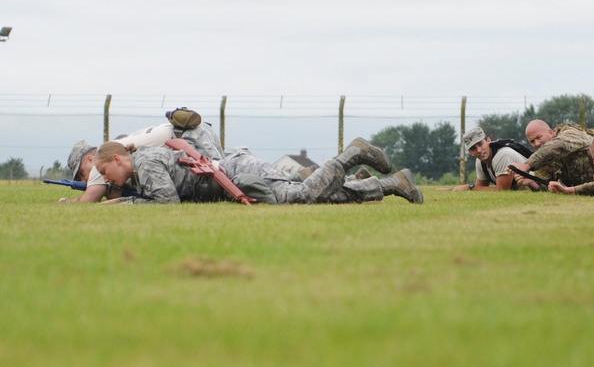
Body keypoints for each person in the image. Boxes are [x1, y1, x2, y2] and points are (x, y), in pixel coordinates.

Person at [94, 137, 423, 205]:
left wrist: (120, 203)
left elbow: (166, 203)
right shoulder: (142, 167)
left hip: (237, 175)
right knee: (318, 197)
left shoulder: (145, 163)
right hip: (235, 173)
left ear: (120, 159)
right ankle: (392, 184)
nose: (106, 179)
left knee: (301, 195)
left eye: (106, 171)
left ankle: (352, 155)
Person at [64, 117, 224, 203]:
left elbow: (90, 199)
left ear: (89, 159)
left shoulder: (104, 154)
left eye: (81, 173)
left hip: (190, 135)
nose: (84, 179)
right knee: (219, 176)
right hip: (192, 131)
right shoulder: (118, 147)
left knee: (222, 175)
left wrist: (67, 202)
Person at [509, 120, 594, 190]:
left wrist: (527, 165)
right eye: (532, 141)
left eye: (539, 137)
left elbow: (559, 146)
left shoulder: (570, 133)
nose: (537, 143)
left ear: (550, 133)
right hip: (586, 190)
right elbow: (548, 187)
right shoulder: (542, 158)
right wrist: (532, 183)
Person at [453, 126, 528, 191]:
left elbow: (502, 191)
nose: (479, 150)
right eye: (473, 148)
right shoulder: (480, 161)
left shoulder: (502, 155)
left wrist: (470, 187)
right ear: (471, 152)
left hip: (534, 188)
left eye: (480, 144)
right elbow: (481, 188)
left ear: (488, 141)